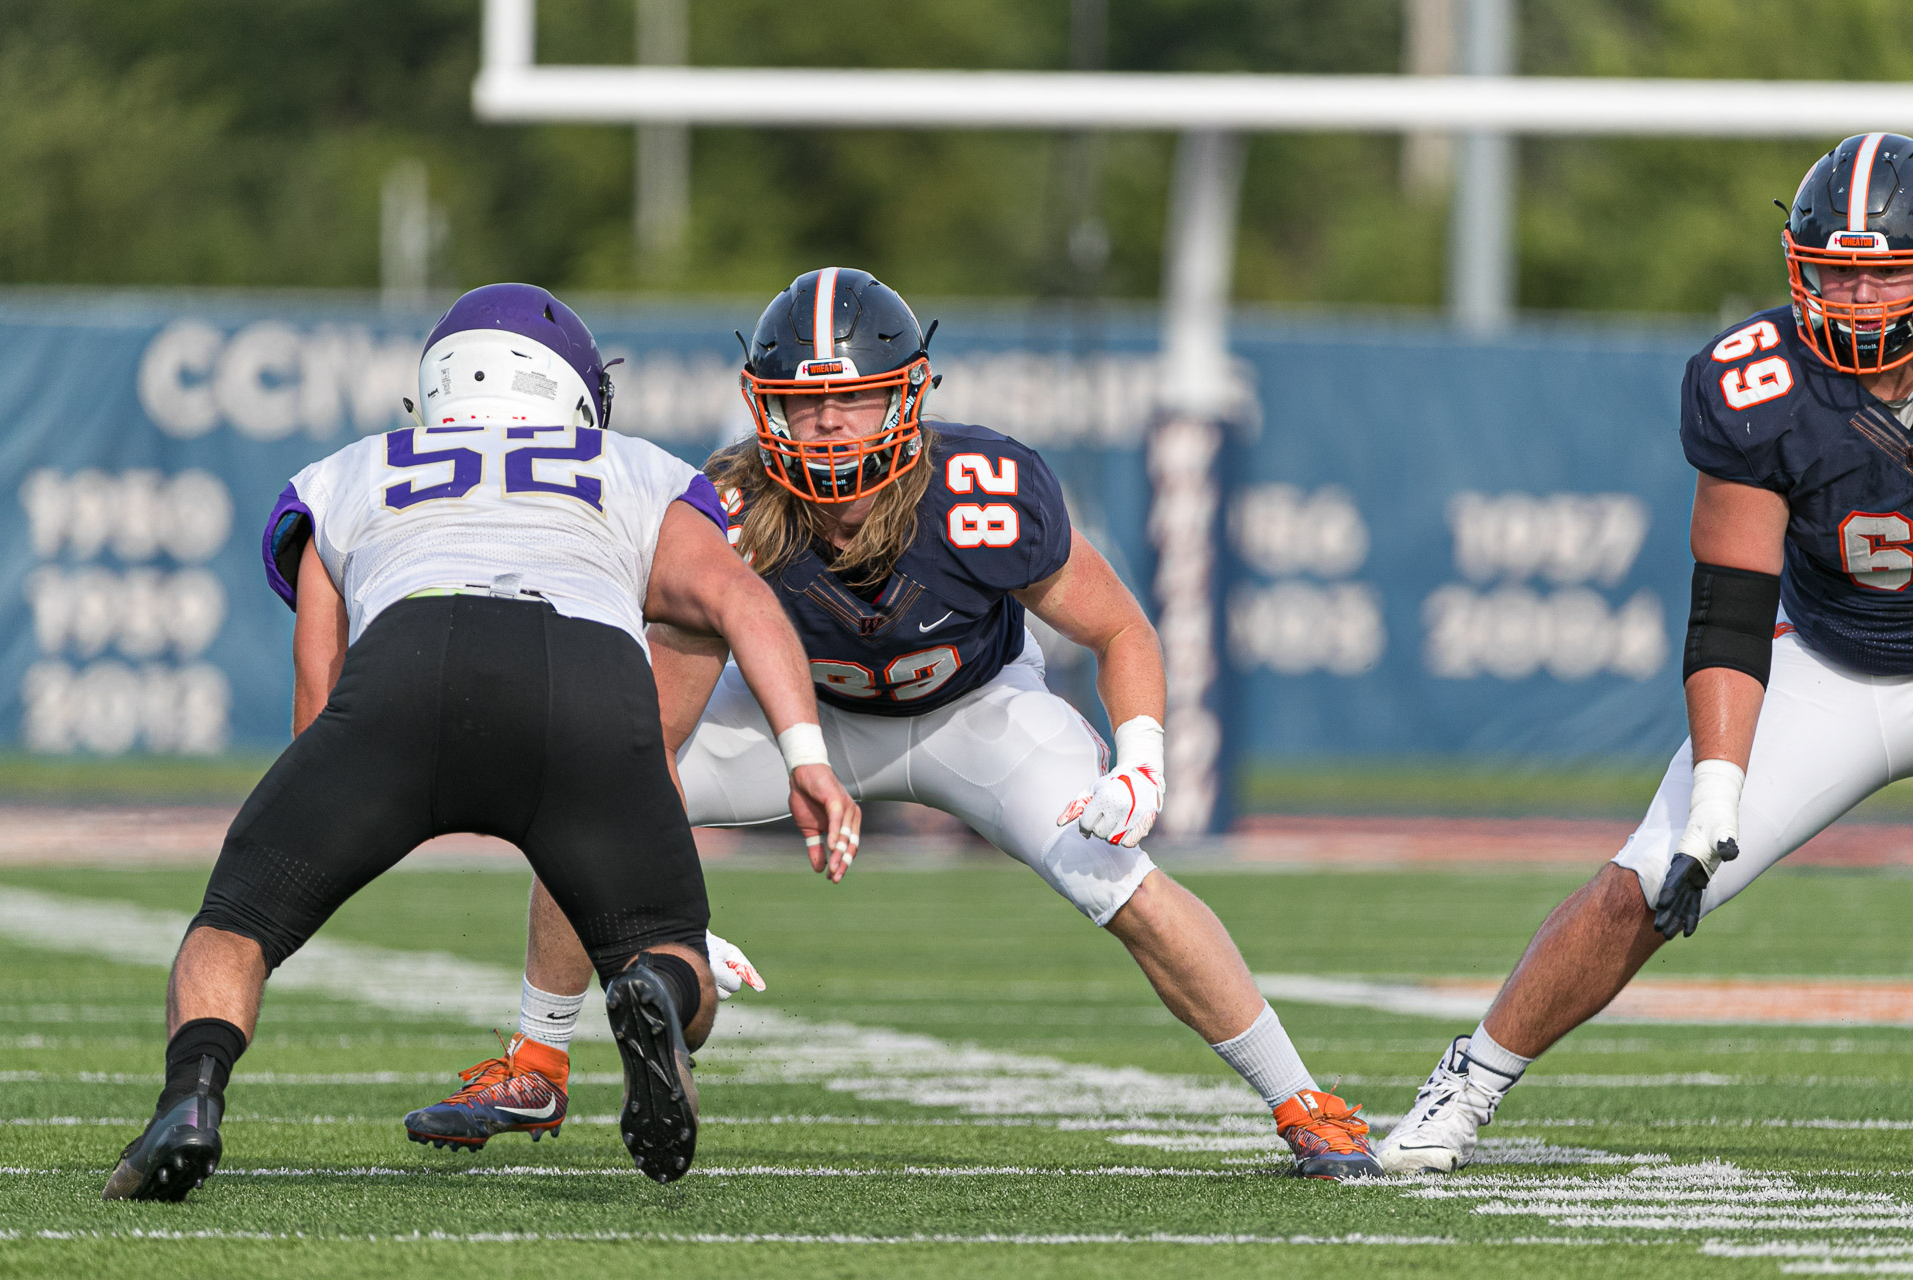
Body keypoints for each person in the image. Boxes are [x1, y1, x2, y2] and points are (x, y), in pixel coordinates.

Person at [405, 267, 1383, 1179]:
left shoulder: (984, 492)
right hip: (807, 723)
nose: (829, 425)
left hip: (980, 714)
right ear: (766, 407)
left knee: (1121, 882)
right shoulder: (733, 511)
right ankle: (536, 1063)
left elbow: (1121, 625)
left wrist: (1142, 757)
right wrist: (671, 909)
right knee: (584, 787)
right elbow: (648, 743)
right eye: (805, 403)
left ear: (905, 395)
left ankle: (1298, 1096)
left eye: (852, 397)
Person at [101, 283, 859, 1201]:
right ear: (572, 394)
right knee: (673, 961)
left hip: (407, 673)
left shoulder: (349, 470)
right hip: (585, 681)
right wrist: (806, 757)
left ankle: (190, 1102)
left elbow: (319, 695)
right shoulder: (635, 468)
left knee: (233, 930)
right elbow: (742, 602)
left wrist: (320, 836)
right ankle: (655, 986)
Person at [1378, 132, 1913, 1173]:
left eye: (1880, 271)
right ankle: (1467, 1084)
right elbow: (1730, 607)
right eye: (1833, 270)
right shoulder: (1758, 385)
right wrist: (1717, 795)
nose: (1852, 297)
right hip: (1828, 662)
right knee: (1646, 879)